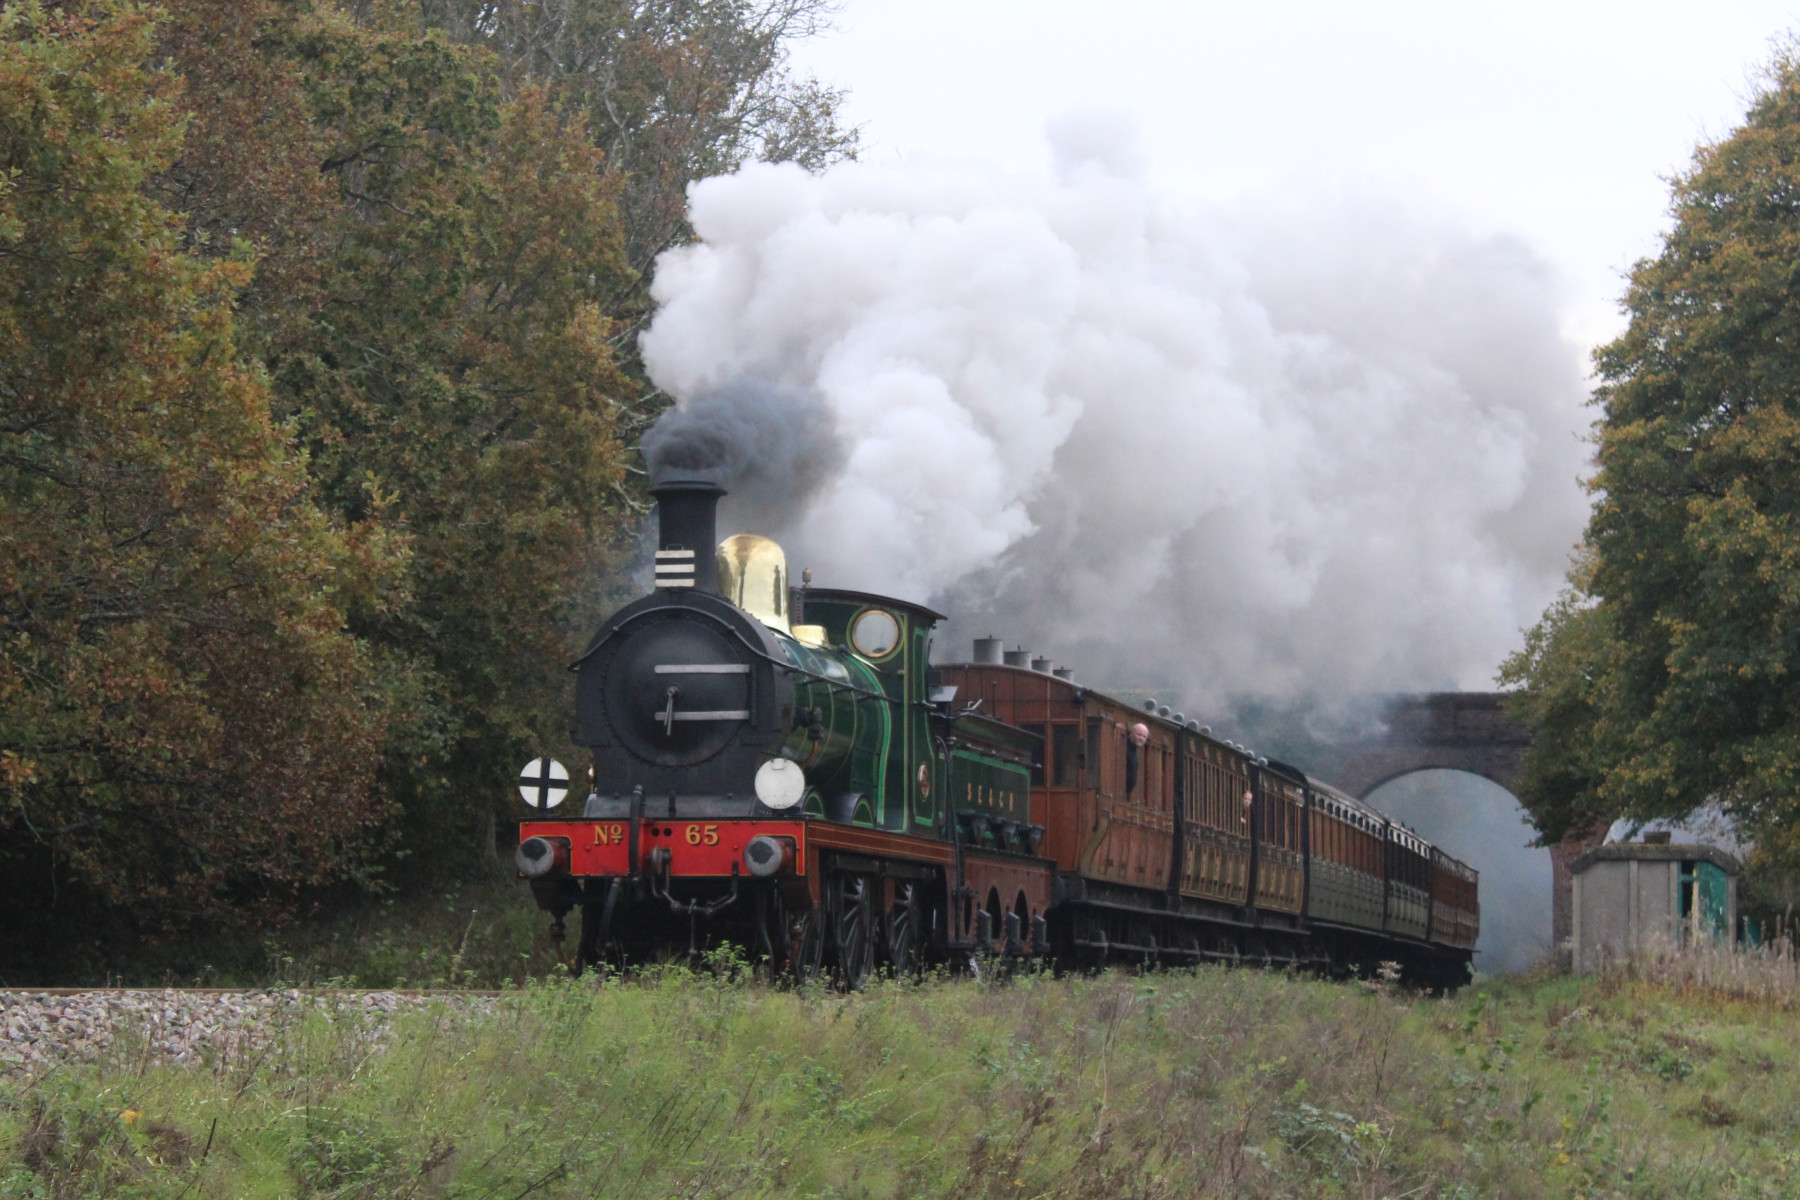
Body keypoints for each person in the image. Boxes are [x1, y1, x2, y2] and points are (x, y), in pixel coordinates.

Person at [1124, 722, 1149, 797]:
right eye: (1139, 735)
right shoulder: (1125, 746)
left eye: (1144, 737)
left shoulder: (1134, 750)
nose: (1141, 738)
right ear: (1132, 733)